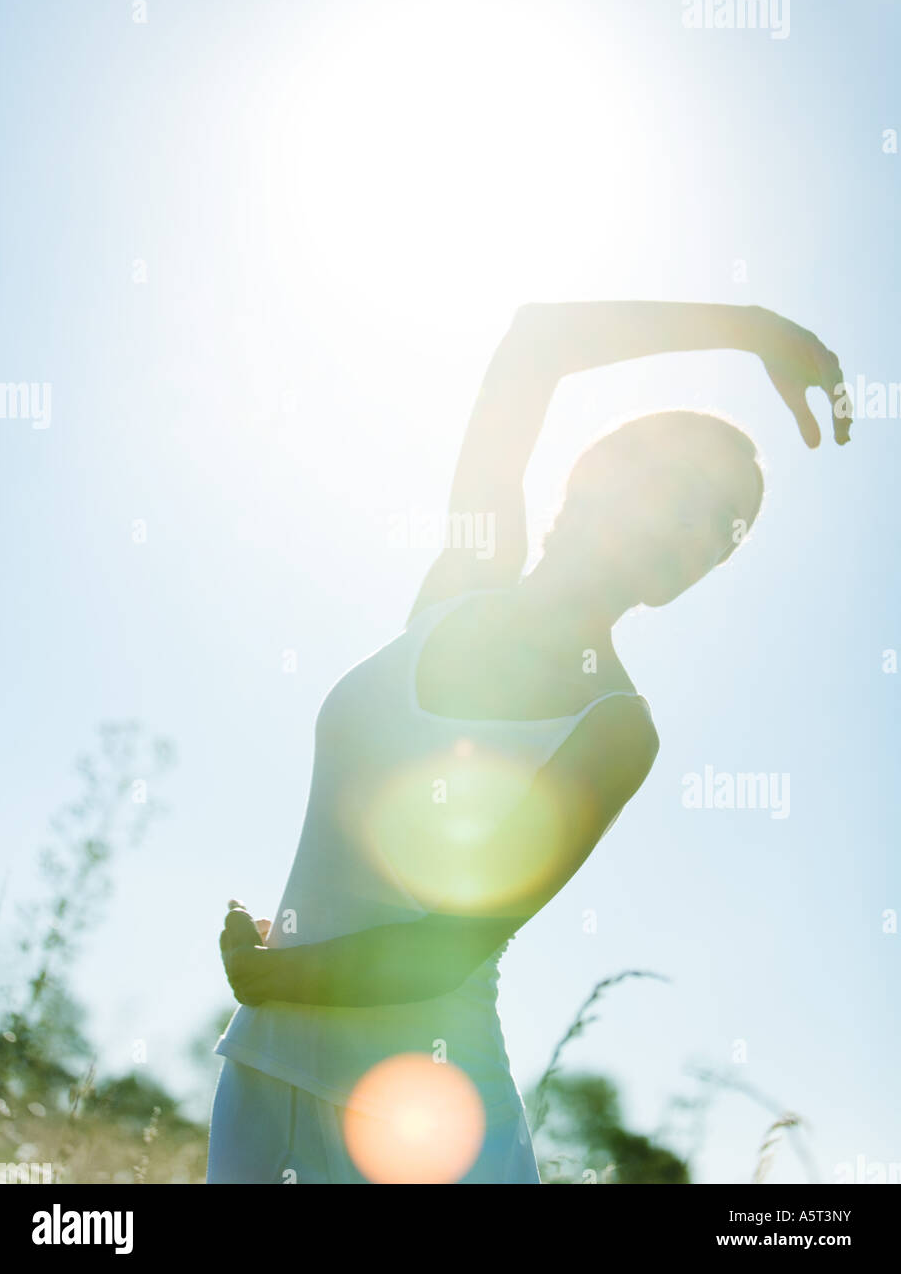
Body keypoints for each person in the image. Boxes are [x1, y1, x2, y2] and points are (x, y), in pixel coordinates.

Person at [207, 301, 850, 1184]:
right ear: (596, 472)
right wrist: (755, 331)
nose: (704, 534)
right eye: (689, 493)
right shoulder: (458, 587)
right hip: (259, 1080)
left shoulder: (615, 727)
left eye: (726, 529)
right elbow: (534, 345)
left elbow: (448, 943)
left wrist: (270, 976)